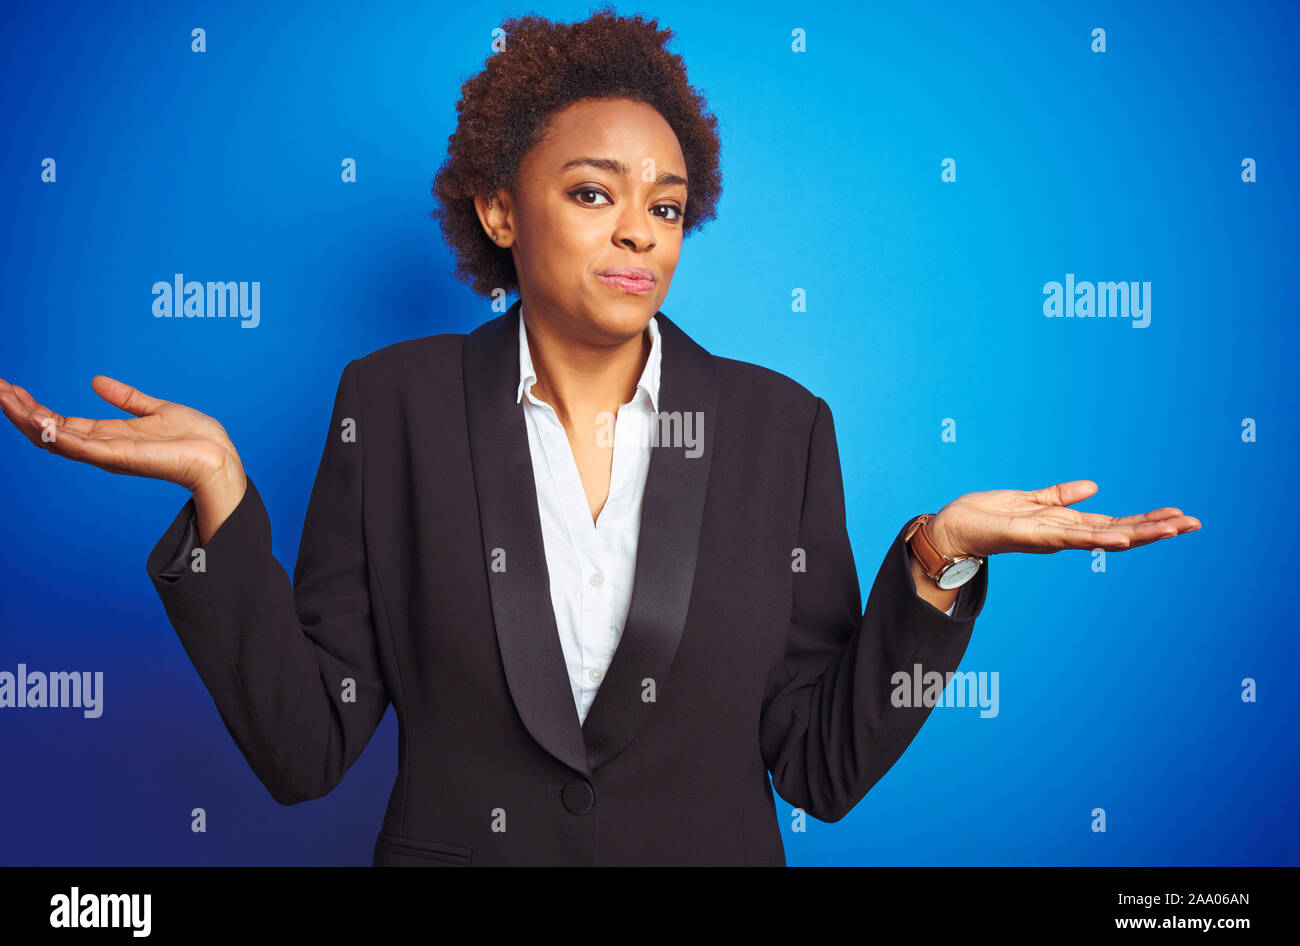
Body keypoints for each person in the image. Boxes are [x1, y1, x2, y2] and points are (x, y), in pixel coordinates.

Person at [0, 7, 1200, 866]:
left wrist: (937, 559)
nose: (640, 233)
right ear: (496, 208)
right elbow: (306, 748)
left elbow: (817, 769)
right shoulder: (393, 404)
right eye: (592, 192)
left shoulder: (780, 427)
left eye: (666, 204)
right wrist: (220, 500)